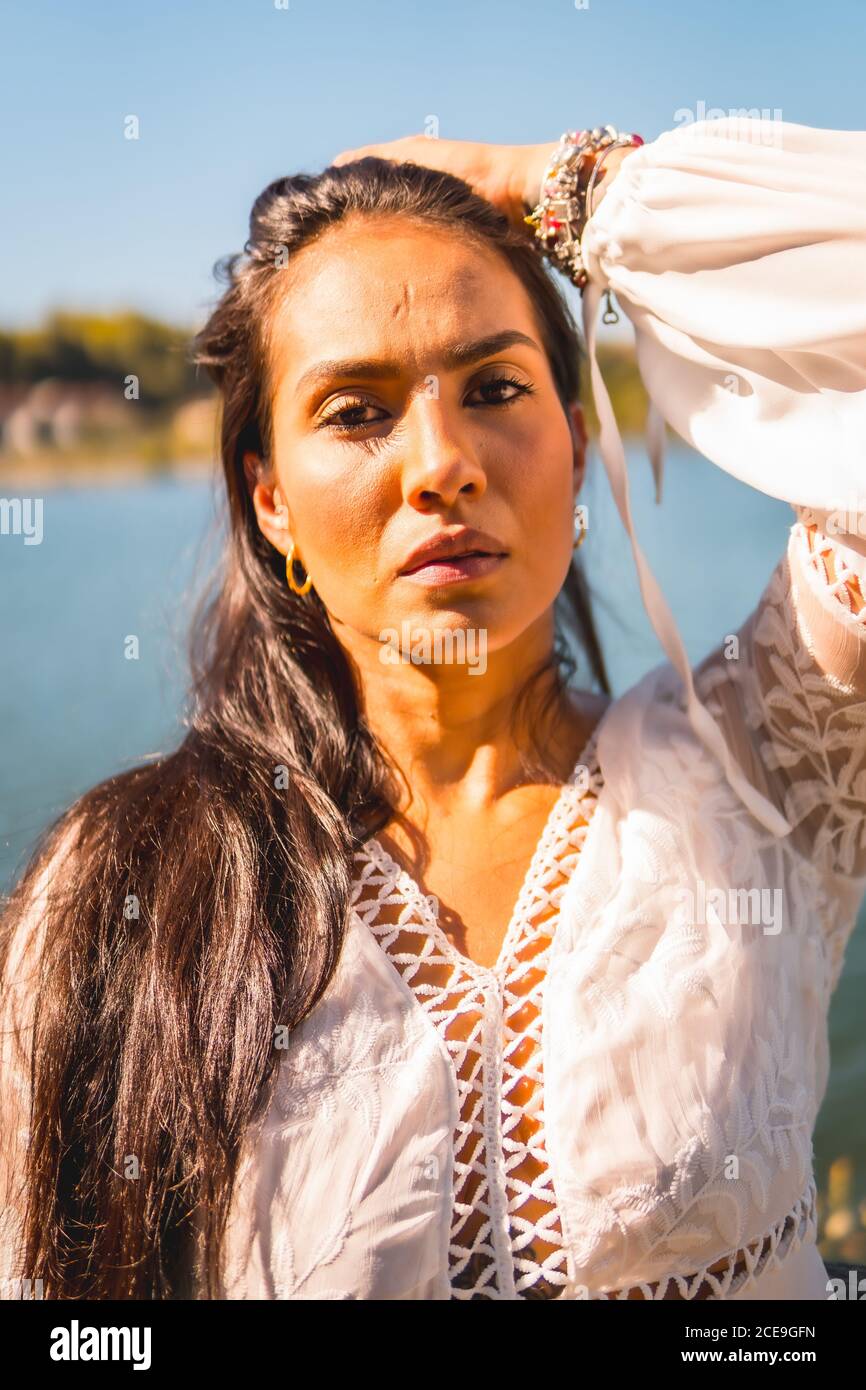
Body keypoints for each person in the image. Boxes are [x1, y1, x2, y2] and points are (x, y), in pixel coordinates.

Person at [1, 116, 865, 1301]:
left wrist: (574, 191)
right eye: (356, 410)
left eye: (496, 385)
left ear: (573, 440)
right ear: (270, 503)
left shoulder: (765, 753)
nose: (440, 461)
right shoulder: (120, 889)